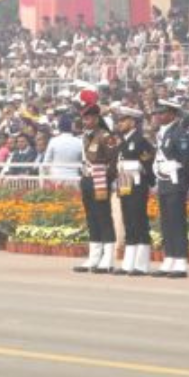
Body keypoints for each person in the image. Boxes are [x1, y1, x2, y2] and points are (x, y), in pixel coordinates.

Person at [151, 99, 189, 279]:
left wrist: (187, 185)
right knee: (167, 223)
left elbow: (186, 162)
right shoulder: (163, 133)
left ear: (172, 114)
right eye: (157, 113)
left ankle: (180, 261)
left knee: (177, 223)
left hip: (176, 183)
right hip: (165, 182)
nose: (158, 116)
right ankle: (169, 257)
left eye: (162, 113)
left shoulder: (179, 132)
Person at [73, 102, 118, 274]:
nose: (86, 121)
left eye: (90, 118)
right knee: (91, 218)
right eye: (85, 118)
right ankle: (94, 257)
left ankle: (108, 258)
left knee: (103, 217)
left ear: (97, 119)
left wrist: (106, 178)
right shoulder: (86, 136)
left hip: (100, 180)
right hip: (87, 179)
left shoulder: (105, 136)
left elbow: (113, 161)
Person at [111, 106, 155, 276]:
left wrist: (142, 171)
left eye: (123, 120)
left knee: (138, 220)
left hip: (137, 183)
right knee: (128, 220)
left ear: (132, 122)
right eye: (119, 120)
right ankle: (128, 262)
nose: (119, 123)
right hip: (124, 181)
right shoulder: (123, 141)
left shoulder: (140, 141)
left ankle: (142, 263)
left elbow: (148, 162)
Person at [43, 113, 84, 182]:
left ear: (59, 127)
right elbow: (83, 162)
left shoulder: (53, 141)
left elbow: (46, 162)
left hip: (55, 178)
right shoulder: (79, 142)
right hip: (74, 178)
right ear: (72, 127)